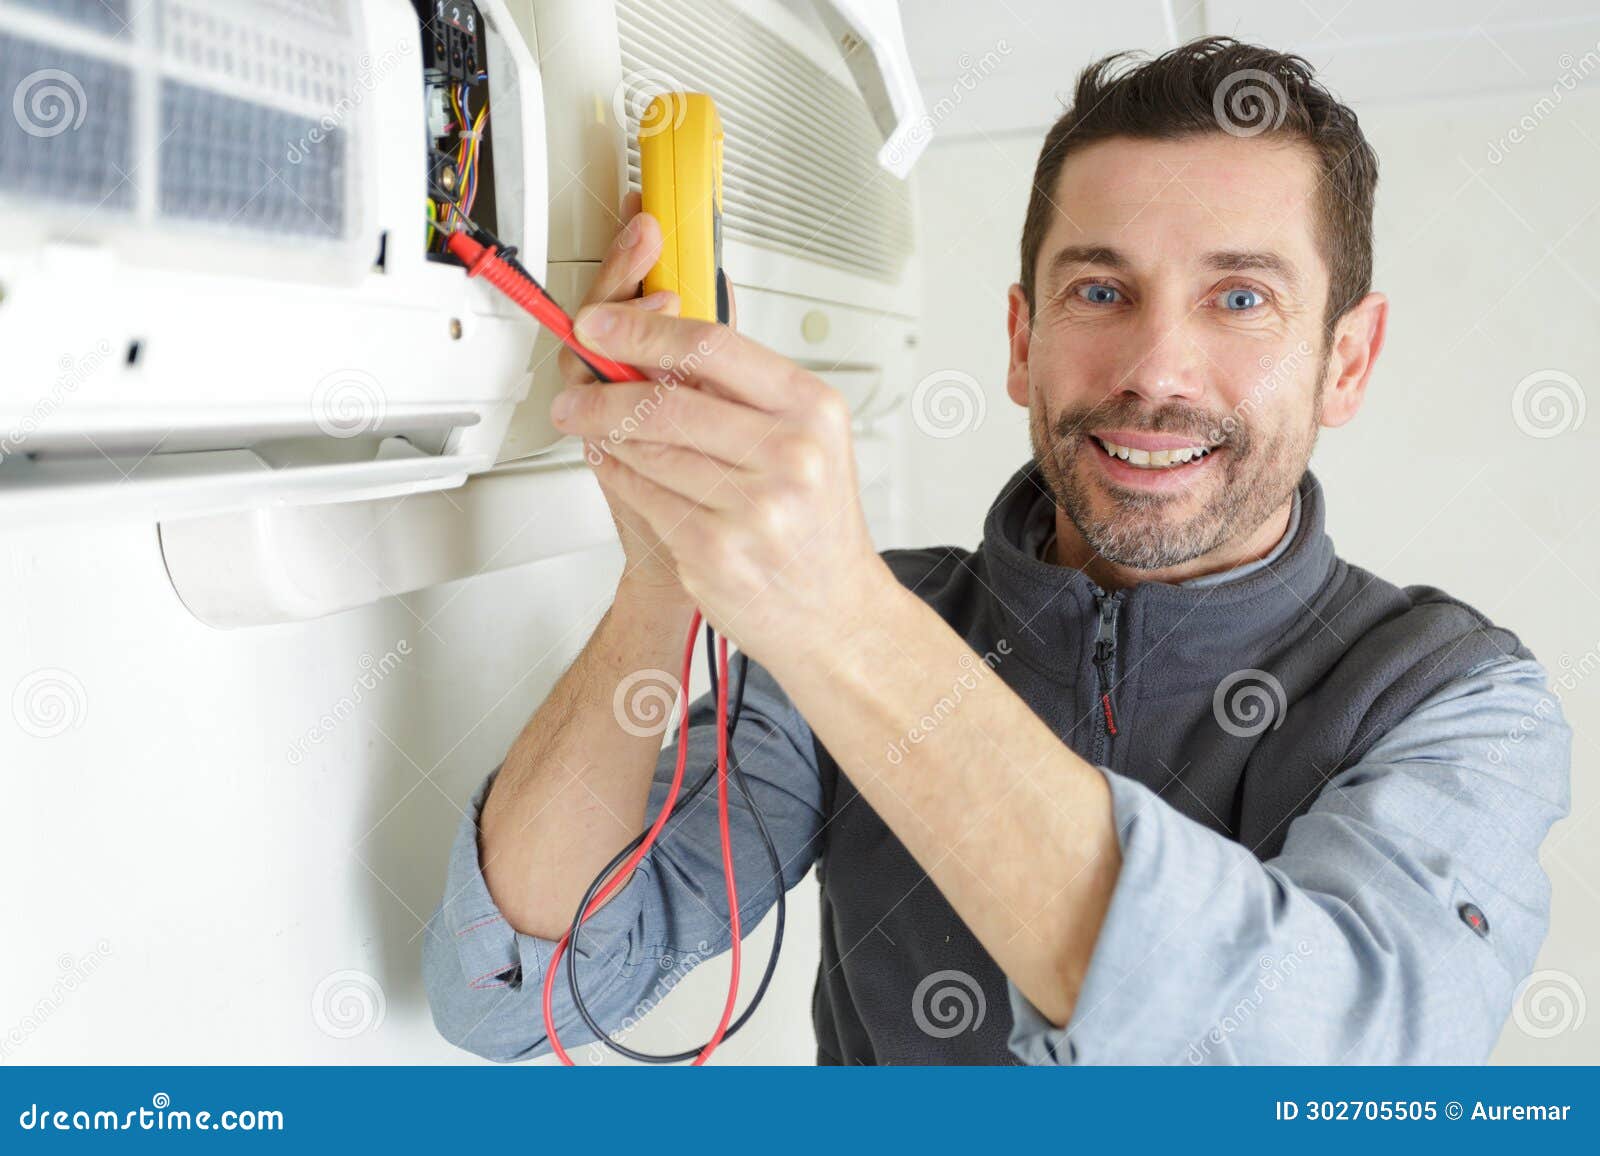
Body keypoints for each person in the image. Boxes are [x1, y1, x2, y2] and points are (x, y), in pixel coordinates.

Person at [421, 37, 1570, 1064]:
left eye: (1238, 299)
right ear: (1022, 341)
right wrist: (666, 573)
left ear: (1346, 361)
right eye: (1102, 289)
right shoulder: (858, 620)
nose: (1155, 371)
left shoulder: (1459, 699)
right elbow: (518, 996)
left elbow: (1310, 1063)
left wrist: (845, 624)